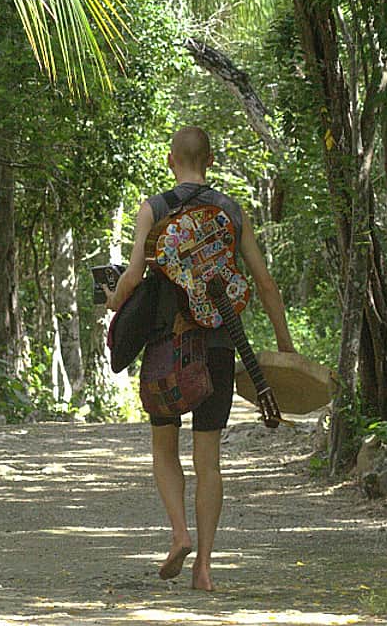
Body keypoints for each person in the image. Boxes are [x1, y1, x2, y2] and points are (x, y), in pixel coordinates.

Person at [104, 126, 296, 591]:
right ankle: (204, 566)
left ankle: (179, 533)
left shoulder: (154, 208)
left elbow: (134, 275)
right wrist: (284, 346)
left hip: (165, 347)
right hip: (218, 345)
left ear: (171, 160)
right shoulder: (231, 211)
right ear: (210, 160)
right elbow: (264, 283)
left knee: (163, 448)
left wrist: (114, 301)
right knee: (208, 459)